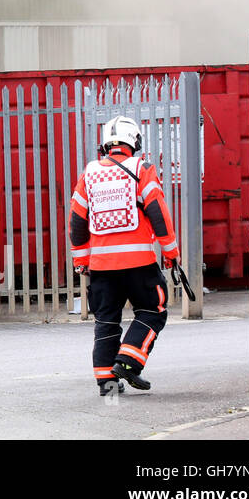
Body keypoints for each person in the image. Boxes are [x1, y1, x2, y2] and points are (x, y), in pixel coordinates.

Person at [69, 116, 180, 395]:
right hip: (139, 264)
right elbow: (158, 212)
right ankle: (129, 363)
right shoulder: (142, 169)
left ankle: (106, 381)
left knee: (106, 320)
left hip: (102, 266)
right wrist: (171, 252)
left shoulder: (89, 173)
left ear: (105, 144)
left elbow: (77, 221)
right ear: (136, 141)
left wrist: (81, 260)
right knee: (152, 311)